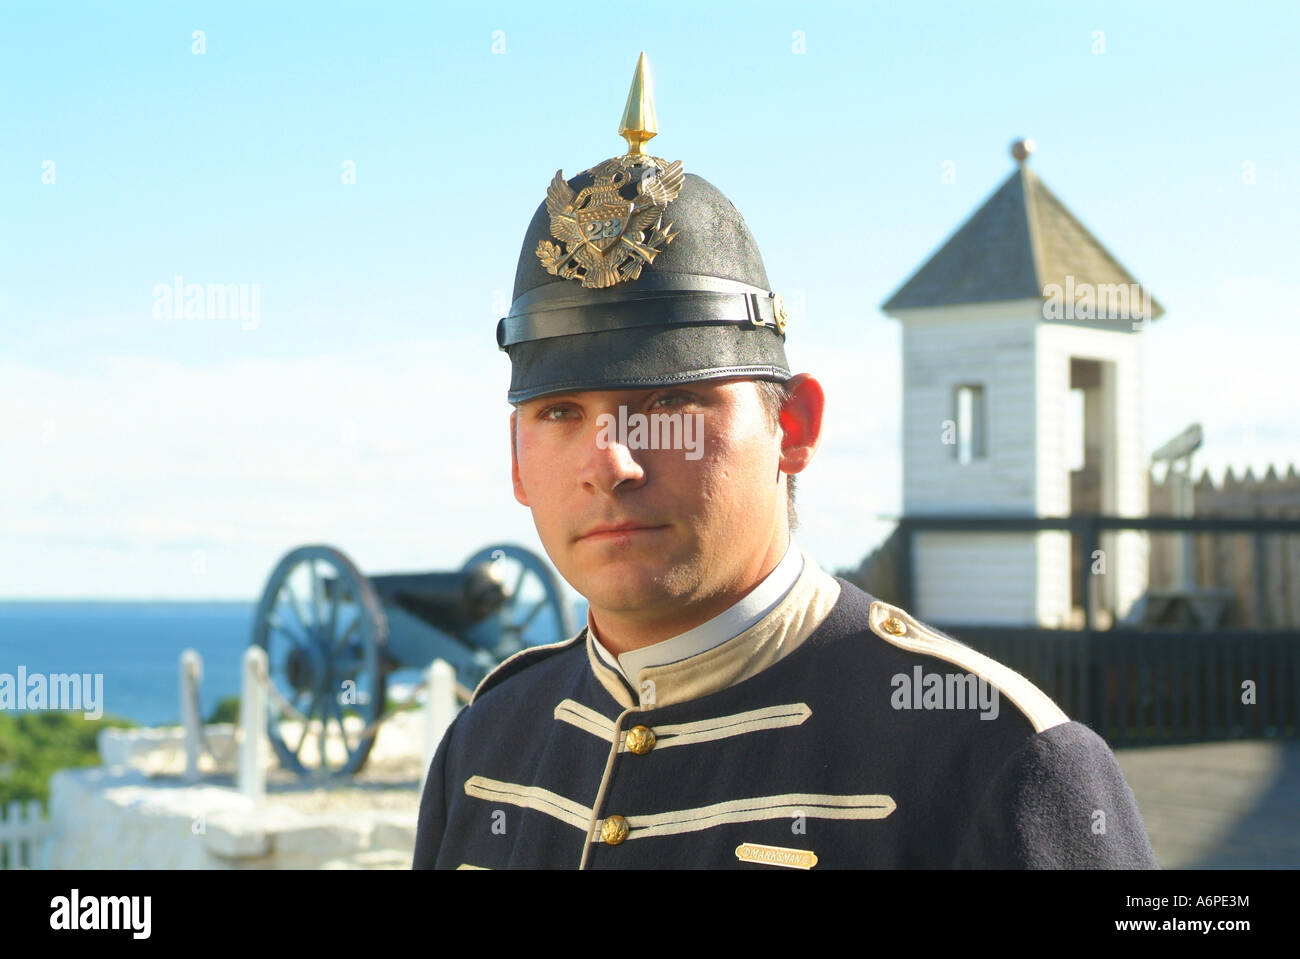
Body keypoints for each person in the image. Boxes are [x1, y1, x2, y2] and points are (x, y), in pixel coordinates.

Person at [412, 53, 1158, 870]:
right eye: (561, 412)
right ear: (517, 463)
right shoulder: (485, 748)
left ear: (793, 424)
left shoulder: (994, 758)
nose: (613, 462)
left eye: (671, 404)